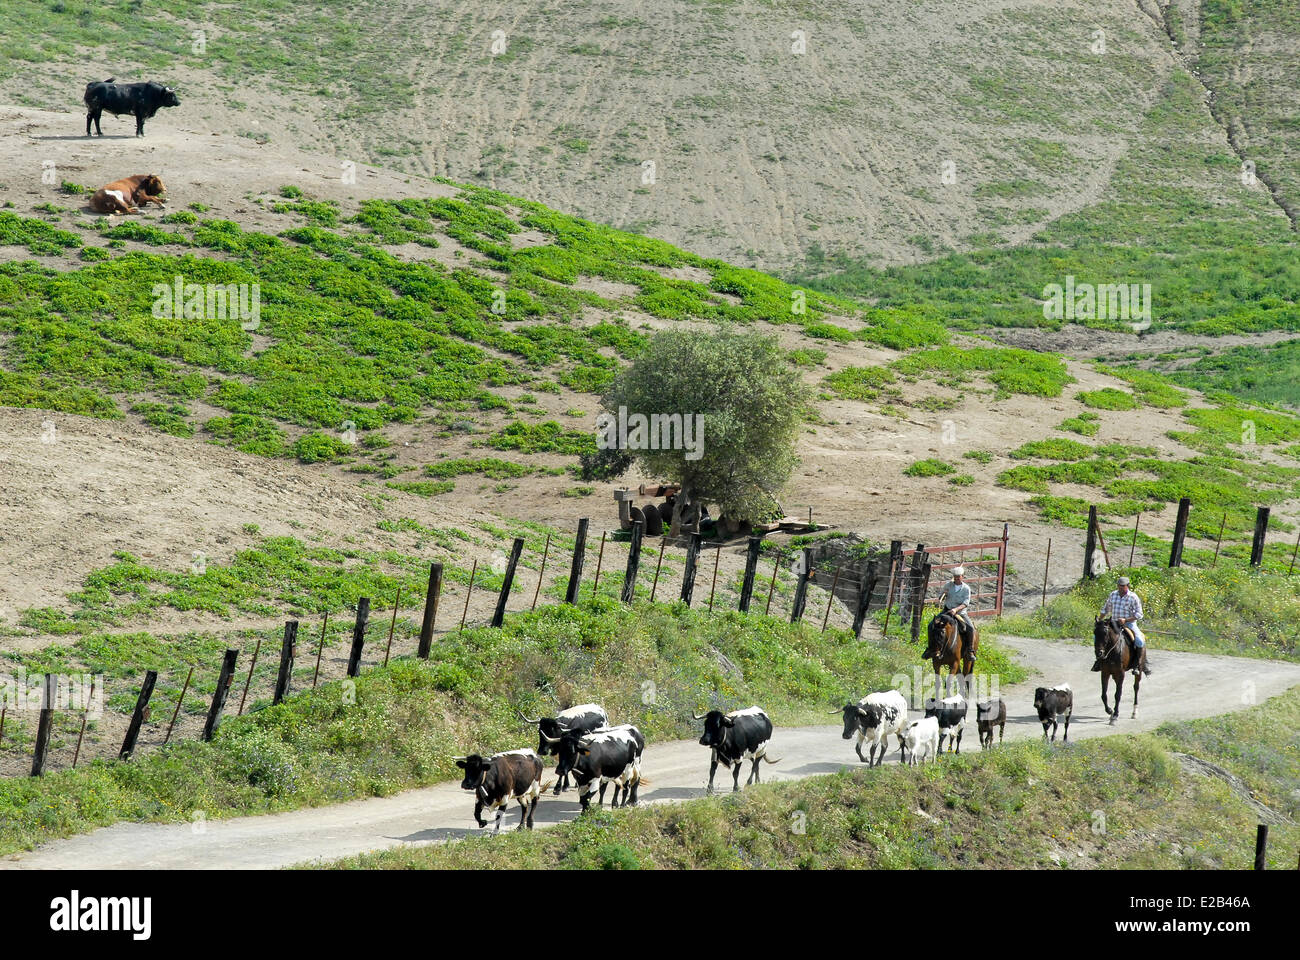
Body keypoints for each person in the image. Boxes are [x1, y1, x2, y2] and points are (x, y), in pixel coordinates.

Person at [1095, 576, 1152, 675]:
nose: (1121, 588)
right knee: (1097, 636)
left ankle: (1138, 664)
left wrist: (1126, 619)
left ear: (1127, 586)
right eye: (1119, 586)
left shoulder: (1133, 597)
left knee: (1139, 640)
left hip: (1129, 623)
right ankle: (1099, 661)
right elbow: (1106, 609)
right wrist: (1099, 620)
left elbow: (1139, 614)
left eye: (1123, 586)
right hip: (1113, 623)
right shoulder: (1113, 595)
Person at [940, 567, 976, 663]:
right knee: (933, 624)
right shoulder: (948, 585)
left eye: (958, 577)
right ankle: (931, 648)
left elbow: (966, 603)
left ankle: (970, 650)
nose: (956, 579)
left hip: (960, 613)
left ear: (962, 577)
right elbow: (940, 598)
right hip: (947, 611)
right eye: (955, 577)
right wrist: (943, 594)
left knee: (970, 628)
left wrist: (956, 609)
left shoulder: (966, 588)